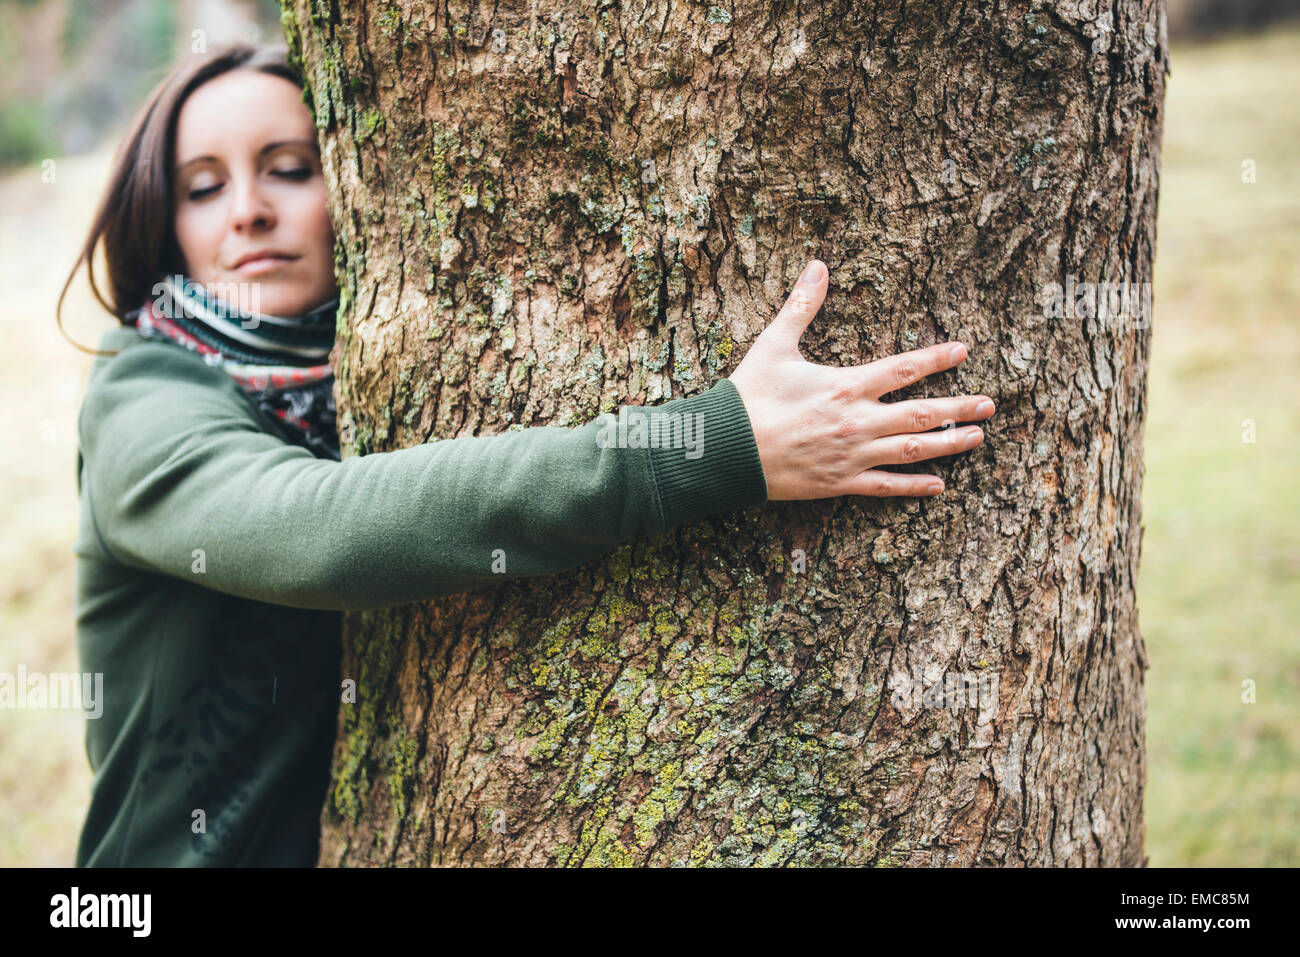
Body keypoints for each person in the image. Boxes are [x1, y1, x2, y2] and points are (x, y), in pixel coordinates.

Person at [59, 44, 996, 866]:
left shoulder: (351, 381)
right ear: (162, 220)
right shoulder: (145, 400)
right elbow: (316, 531)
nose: (251, 211)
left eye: (289, 168)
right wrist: (717, 443)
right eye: (205, 186)